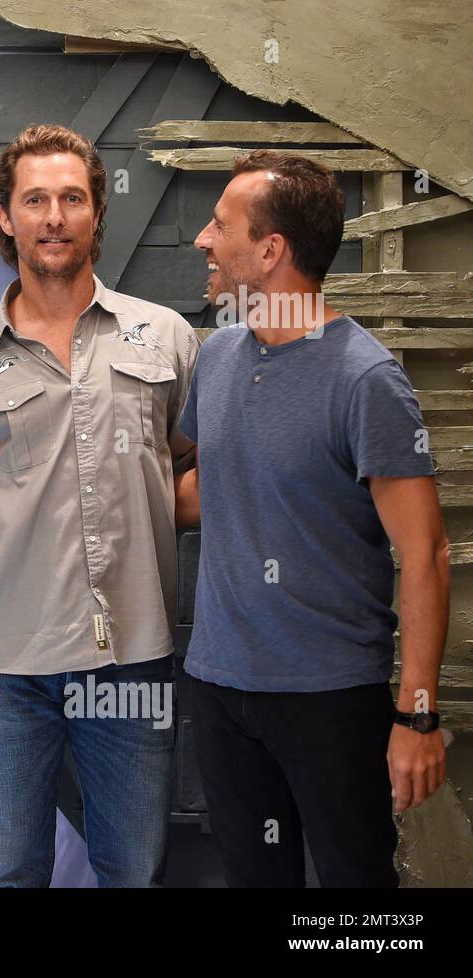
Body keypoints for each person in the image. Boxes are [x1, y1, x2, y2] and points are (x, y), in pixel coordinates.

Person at [0, 124, 198, 887]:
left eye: (71, 198)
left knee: (133, 870)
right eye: (35, 200)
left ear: (98, 212)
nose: (54, 216)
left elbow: (195, 473)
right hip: (6, 669)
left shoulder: (165, 338)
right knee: (11, 871)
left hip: (132, 659)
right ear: (6, 216)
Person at [175, 150, 449, 887]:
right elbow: (212, 488)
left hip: (329, 699)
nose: (203, 239)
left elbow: (424, 553)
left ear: (269, 252)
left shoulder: (367, 380)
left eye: (220, 224)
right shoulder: (221, 356)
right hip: (222, 687)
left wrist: (416, 716)